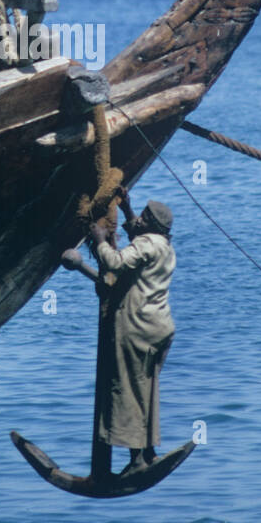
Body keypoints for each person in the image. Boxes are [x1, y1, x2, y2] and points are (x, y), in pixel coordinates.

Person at [88, 192, 176, 477]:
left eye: (142, 219)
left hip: (136, 329)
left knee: (127, 389)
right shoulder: (164, 245)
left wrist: (100, 239)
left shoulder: (147, 244)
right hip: (159, 328)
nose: (137, 222)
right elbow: (139, 230)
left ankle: (136, 459)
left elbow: (115, 262)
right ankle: (149, 451)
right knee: (146, 389)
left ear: (149, 225)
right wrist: (126, 208)